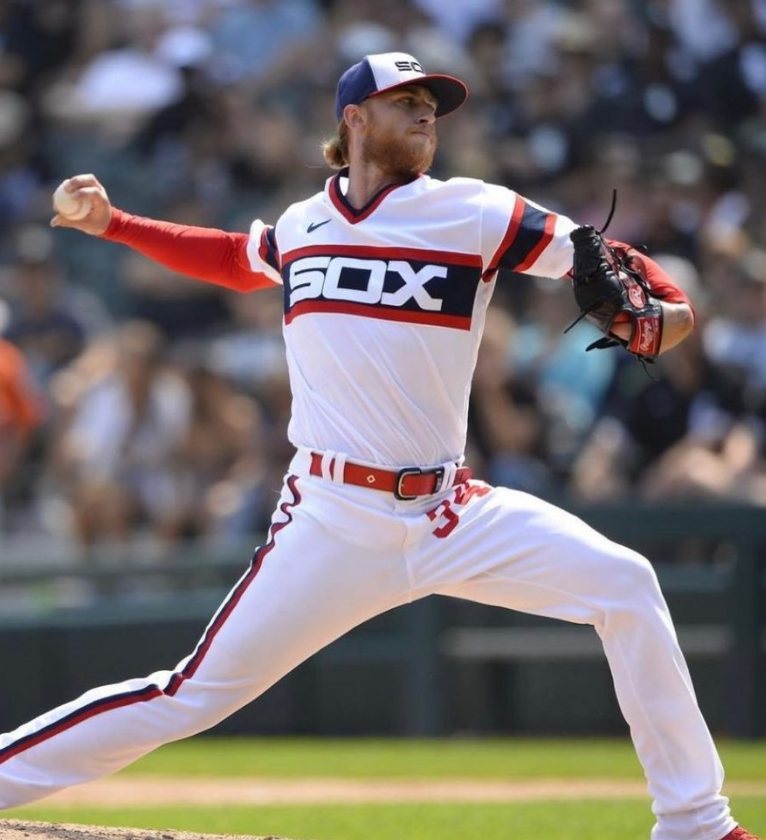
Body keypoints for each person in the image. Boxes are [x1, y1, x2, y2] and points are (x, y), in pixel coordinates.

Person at [0, 52, 759, 840]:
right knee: (189, 693)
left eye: (432, 102)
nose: (426, 111)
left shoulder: (474, 211)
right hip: (331, 518)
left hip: (451, 511)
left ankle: (696, 822)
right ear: (354, 120)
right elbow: (230, 257)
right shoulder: (302, 225)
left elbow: (597, 252)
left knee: (626, 584)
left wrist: (670, 302)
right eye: (405, 100)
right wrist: (115, 225)